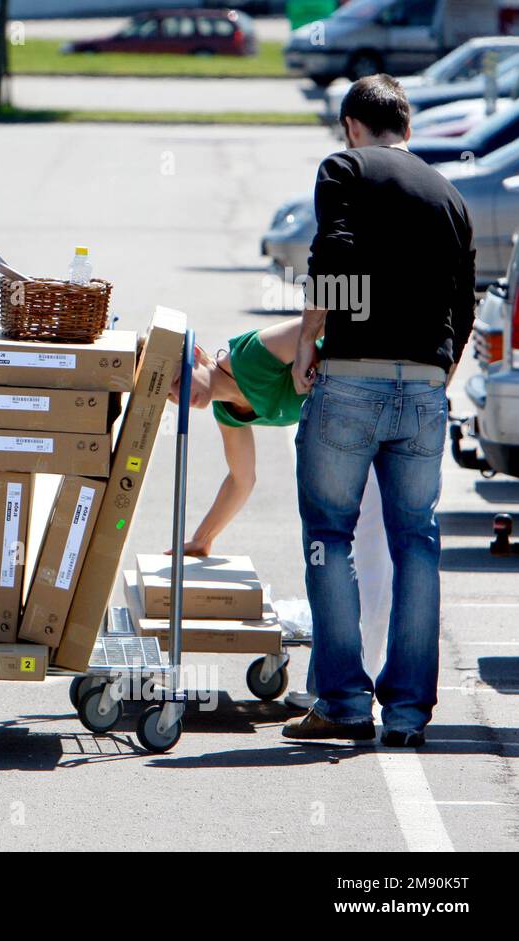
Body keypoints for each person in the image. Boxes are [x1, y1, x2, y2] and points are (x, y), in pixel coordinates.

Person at [285, 74, 475, 747]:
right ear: (408, 128)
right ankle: (405, 712)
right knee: (416, 541)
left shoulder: (345, 168)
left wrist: (310, 337)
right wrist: (432, 378)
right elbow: (464, 305)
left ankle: (340, 701)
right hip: (424, 386)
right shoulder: (448, 193)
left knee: (329, 534)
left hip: (351, 380)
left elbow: (333, 251)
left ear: (352, 127)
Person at [169, 317, 392, 707]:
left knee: (369, 552)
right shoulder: (228, 412)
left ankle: (355, 686)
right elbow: (242, 479)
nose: (180, 394)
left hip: (373, 411)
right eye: (169, 394)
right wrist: (202, 540)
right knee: (336, 557)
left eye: (179, 379)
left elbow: (322, 322)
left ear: (200, 355)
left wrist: (317, 364)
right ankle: (336, 685)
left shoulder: (253, 353)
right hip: (344, 442)